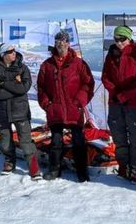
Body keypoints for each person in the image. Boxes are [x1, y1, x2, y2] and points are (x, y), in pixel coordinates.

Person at [37, 30, 95, 182]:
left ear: (69, 44)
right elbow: (41, 87)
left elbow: (88, 84)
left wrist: (79, 102)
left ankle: (82, 170)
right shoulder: (47, 65)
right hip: (55, 110)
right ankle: (54, 169)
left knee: (78, 141)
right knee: (56, 141)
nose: (60, 45)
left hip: (73, 110)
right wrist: (47, 104)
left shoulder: (79, 64)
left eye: (63, 41)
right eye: (57, 42)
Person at [101, 25, 136, 184]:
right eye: (116, 39)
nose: (119, 42)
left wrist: (123, 95)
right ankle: (123, 166)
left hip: (134, 103)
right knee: (119, 137)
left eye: (123, 39)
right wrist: (115, 94)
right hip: (115, 103)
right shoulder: (111, 56)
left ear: (129, 38)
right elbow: (105, 77)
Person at [0, 44, 42, 180]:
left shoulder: (22, 68)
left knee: (26, 141)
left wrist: (4, 84)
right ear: (3, 54)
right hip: (2, 111)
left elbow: (24, 88)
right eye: (10, 51)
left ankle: (33, 167)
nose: (14, 53)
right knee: (5, 141)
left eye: (14, 51)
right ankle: (9, 162)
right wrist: (15, 89)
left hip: (20, 110)